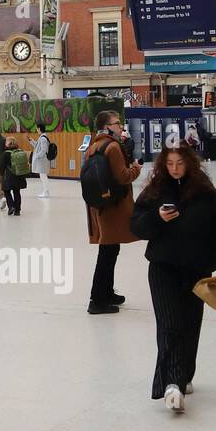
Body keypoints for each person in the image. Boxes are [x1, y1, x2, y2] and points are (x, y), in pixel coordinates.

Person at [131, 145, 216, 413]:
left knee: (191, 325)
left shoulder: (207, 196)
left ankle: (184, 374)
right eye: (169, 164)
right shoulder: (154, 192)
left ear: (190, 163)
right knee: (169, 324)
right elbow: (136, 226)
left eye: (179, 163)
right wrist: (157, 218)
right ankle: (171, 385)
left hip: (196, 271)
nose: (175, 169)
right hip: (162, 268)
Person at [83, 110, 142, 315]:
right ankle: (97, 300)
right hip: (114, 208)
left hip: (99, 207)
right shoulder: (113, 147)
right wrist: (136, 168)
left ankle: (107, 292)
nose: (121, 126)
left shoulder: (93, 147)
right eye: (117, 123)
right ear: (107, 127)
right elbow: (124, 177)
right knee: (107, 254)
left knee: (109, 251)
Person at [1, 137, 28, 216]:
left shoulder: (5, 153)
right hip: (19, 175)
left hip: (9, 176)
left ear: (8, 144)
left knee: (6, 191)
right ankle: (17, 210)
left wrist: (1, 174)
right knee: (17, 192)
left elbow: (2, 166)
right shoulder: (20, 151)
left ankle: (11, 206)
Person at [31, 123, 52, 197]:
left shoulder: (43, 138)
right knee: (42, 176)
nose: (36, 130)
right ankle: (46, 191)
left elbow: (43, 150)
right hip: (42, 160)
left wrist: (37, 156)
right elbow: (37, 146)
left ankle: (46, 192)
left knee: (43, 176)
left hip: (42, 160)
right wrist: (31, 140)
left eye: (37, 128)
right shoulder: (42, 137)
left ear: (39, 128)